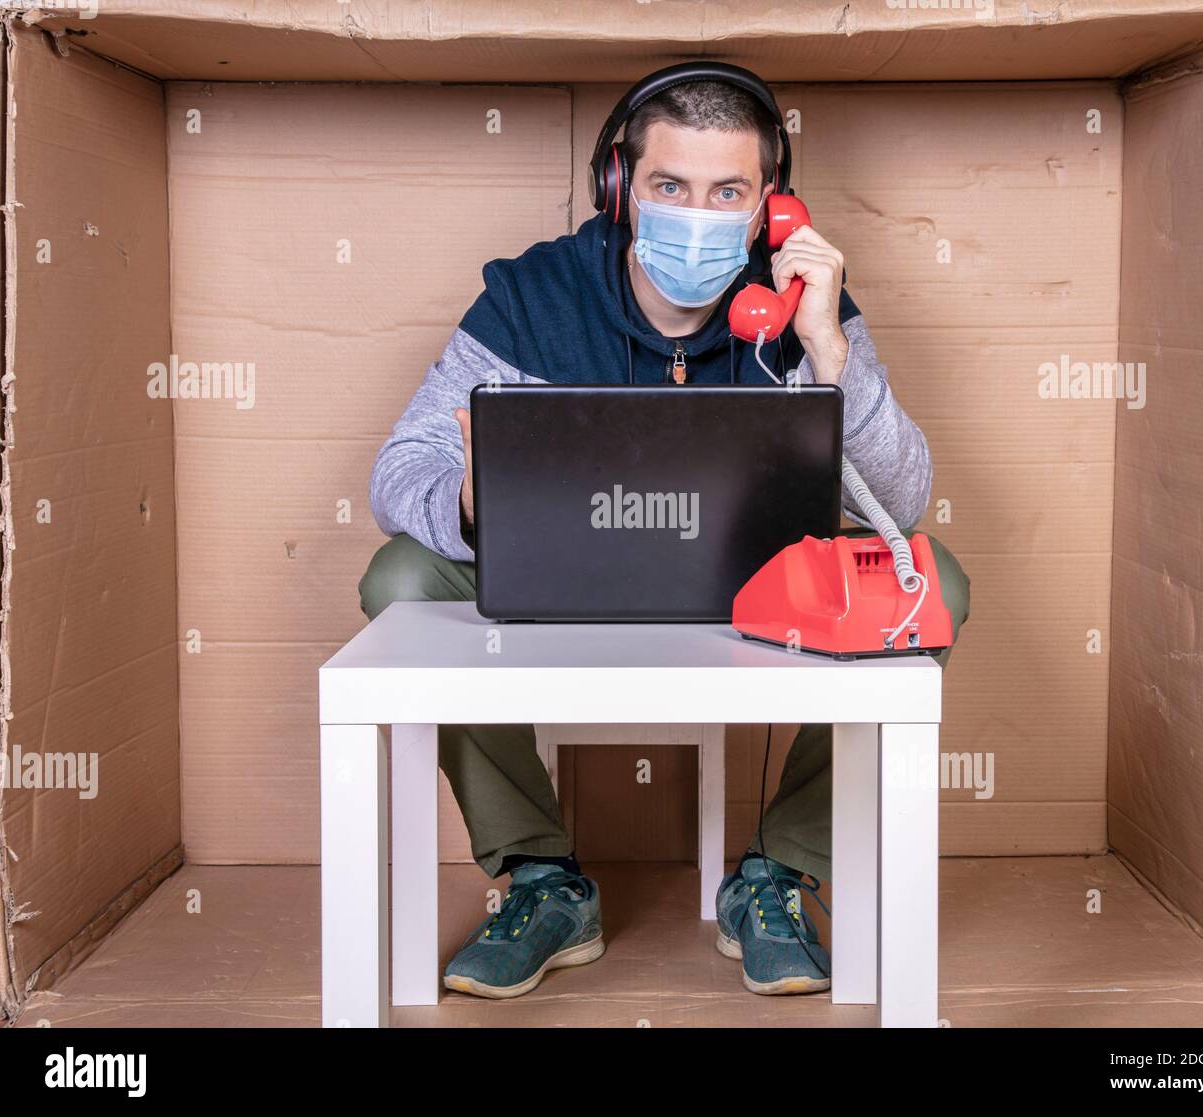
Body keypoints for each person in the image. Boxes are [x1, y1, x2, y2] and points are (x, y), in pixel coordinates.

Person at [360, 62, 969, 999]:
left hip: (754, 591)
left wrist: (830, 353)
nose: (698, 212)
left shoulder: (806, 305)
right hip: (561, 582)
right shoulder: (530, 297)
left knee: (939, 586)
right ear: (621, 189)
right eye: (670, 186)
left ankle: (777, 869)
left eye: (728, 190)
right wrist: (477, 504)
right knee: (400, 581)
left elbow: (904, 499)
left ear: (771, 201)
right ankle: (540, 875)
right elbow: (398, 473)